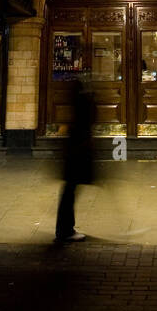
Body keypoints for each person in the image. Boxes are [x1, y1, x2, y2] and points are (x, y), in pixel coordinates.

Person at [56, 80, 97, 242]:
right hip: (77, 156)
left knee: (69, 191)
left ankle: (64, 229)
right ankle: (65, 231)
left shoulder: (77, 105)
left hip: (73, 156)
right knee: (69, 192)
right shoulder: (83, 106)